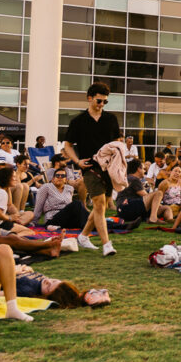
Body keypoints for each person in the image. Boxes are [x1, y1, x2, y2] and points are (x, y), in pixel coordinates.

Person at [60, 83, 121, 256]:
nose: (102, 104)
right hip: (89, 168)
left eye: (105, 102)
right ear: (90, 98)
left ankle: (83, 236)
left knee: (99, 206)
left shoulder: (111, 119)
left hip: (109, 168)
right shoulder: (78, 121)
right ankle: (106, 244)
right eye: (99, 100)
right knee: (100, 204)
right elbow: (68, 146)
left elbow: (118, 143)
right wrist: (77, 161)